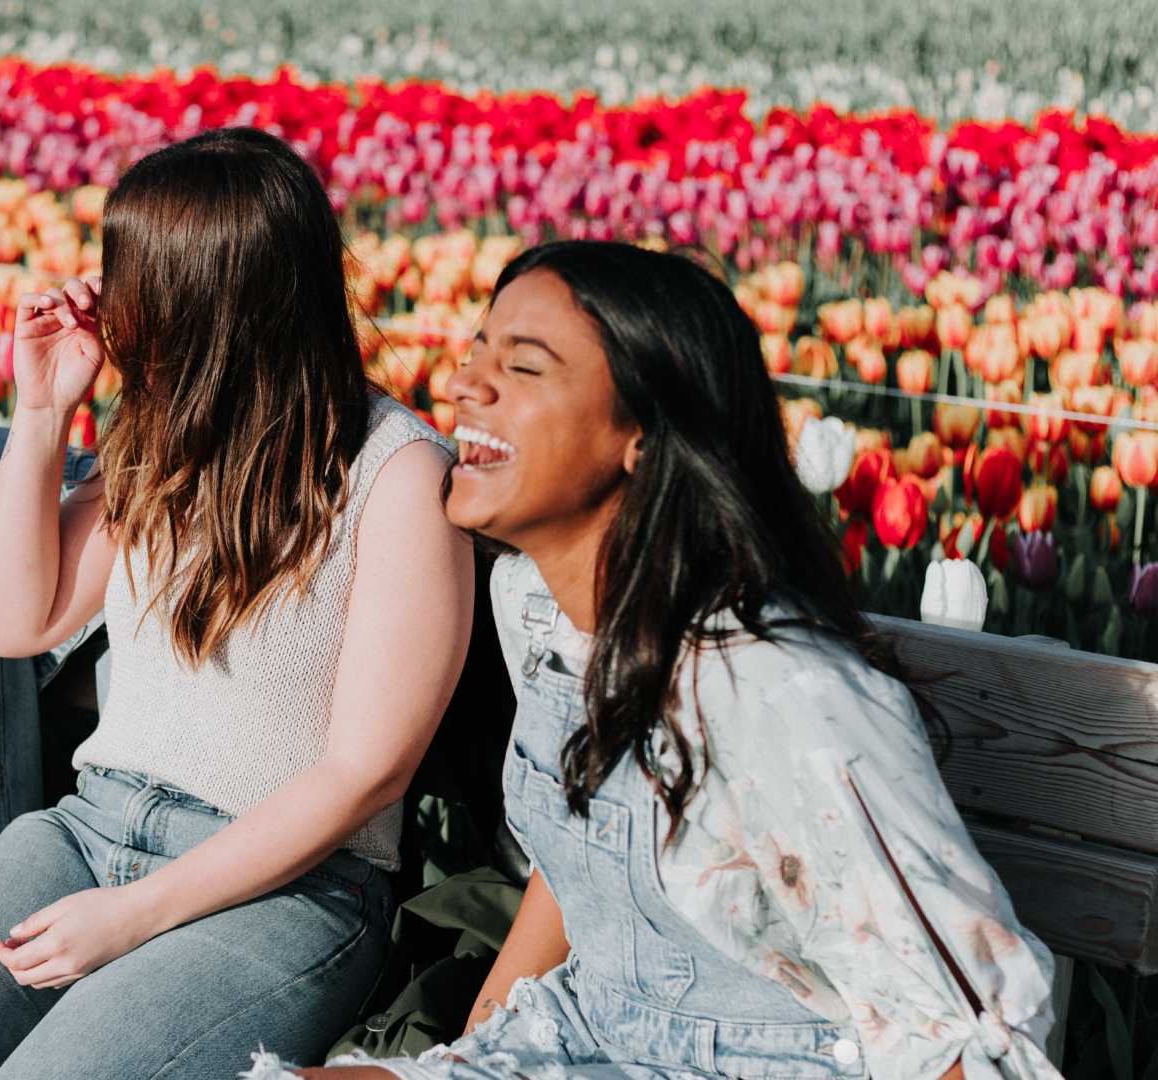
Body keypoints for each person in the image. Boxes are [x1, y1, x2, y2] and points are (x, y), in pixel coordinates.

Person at [250, 241, 1059, 1079]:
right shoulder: (536, 612)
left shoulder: (779, 693)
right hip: (579, 1041)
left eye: (523, 368)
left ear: (641, 435)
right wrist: (465, 1055)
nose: (464, 385)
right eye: (474, 352)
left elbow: (964, 1035)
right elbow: (582, 877)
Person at [0, 127, 476, 1079]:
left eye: (129, 274)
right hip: (89, 834)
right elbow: (14, 623)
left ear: (207, 299)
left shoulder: (398, 472)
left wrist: (130, 919)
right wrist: (42, 413)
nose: (109, 302)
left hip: (291, 887)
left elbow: (363, 776)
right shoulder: (167, 442)